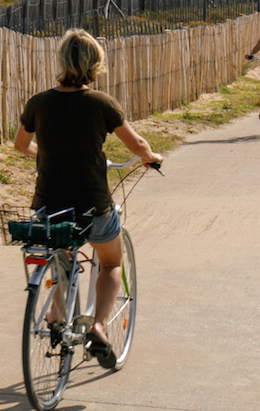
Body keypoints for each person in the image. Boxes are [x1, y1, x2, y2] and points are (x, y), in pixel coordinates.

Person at [13, 29, 162, 368]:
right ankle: (97, 327)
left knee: (62, 256)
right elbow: (137, 145)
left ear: (62, 61)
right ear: (95, 64)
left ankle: (55, 314)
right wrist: (150, 157)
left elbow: (21, 145)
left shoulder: (38, 103)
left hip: (48, 205)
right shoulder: (101, 104)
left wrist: (44, 156)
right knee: (110, 262)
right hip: (92, 205)